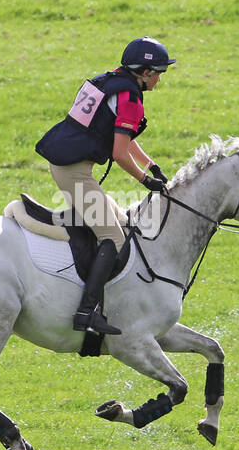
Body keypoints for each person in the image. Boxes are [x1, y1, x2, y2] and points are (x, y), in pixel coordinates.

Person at [34, 37, 175, 335]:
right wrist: (145, 180)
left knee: (121, 223)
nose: (160, 80)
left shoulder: (108, 81)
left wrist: (151, 165)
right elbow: (119, 153)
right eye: (159, 73)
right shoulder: (130, 99)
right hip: (74, 172)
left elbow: (123, 137)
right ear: (145, 72)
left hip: (68, 165)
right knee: (114, 237)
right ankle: (86, 313)